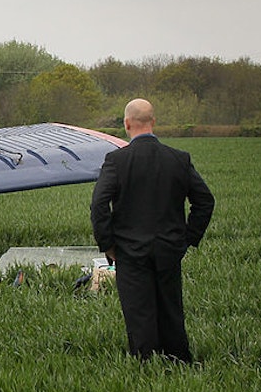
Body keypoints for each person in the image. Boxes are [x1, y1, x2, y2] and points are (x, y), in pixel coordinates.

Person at [90, 98, 214, 363]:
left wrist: (108, 244)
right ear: (153, 122)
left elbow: (99, 204)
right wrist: (187, 239)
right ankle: (178, 360)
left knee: (139, 312)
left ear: (127, 124)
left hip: (129, 251)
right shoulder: (178, 159)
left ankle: (145, 364)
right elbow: (205, 201)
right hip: (170, 249)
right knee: (171, 309)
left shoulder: (116, 160)